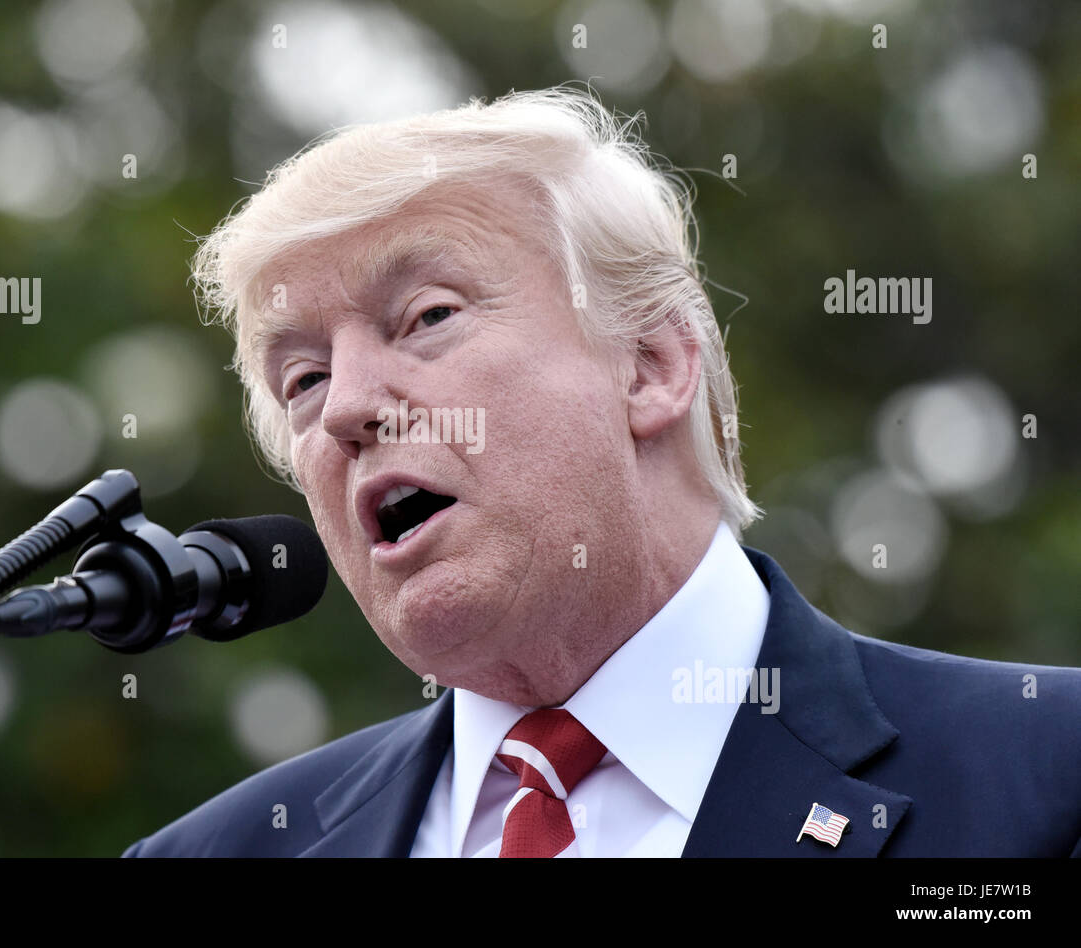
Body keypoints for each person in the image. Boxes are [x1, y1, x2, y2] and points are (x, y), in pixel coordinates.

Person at [124, 87, 1081, 857]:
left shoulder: (1046, 772)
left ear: (651, 365)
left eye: (426, 318)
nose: (344, 409)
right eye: (304, 377)